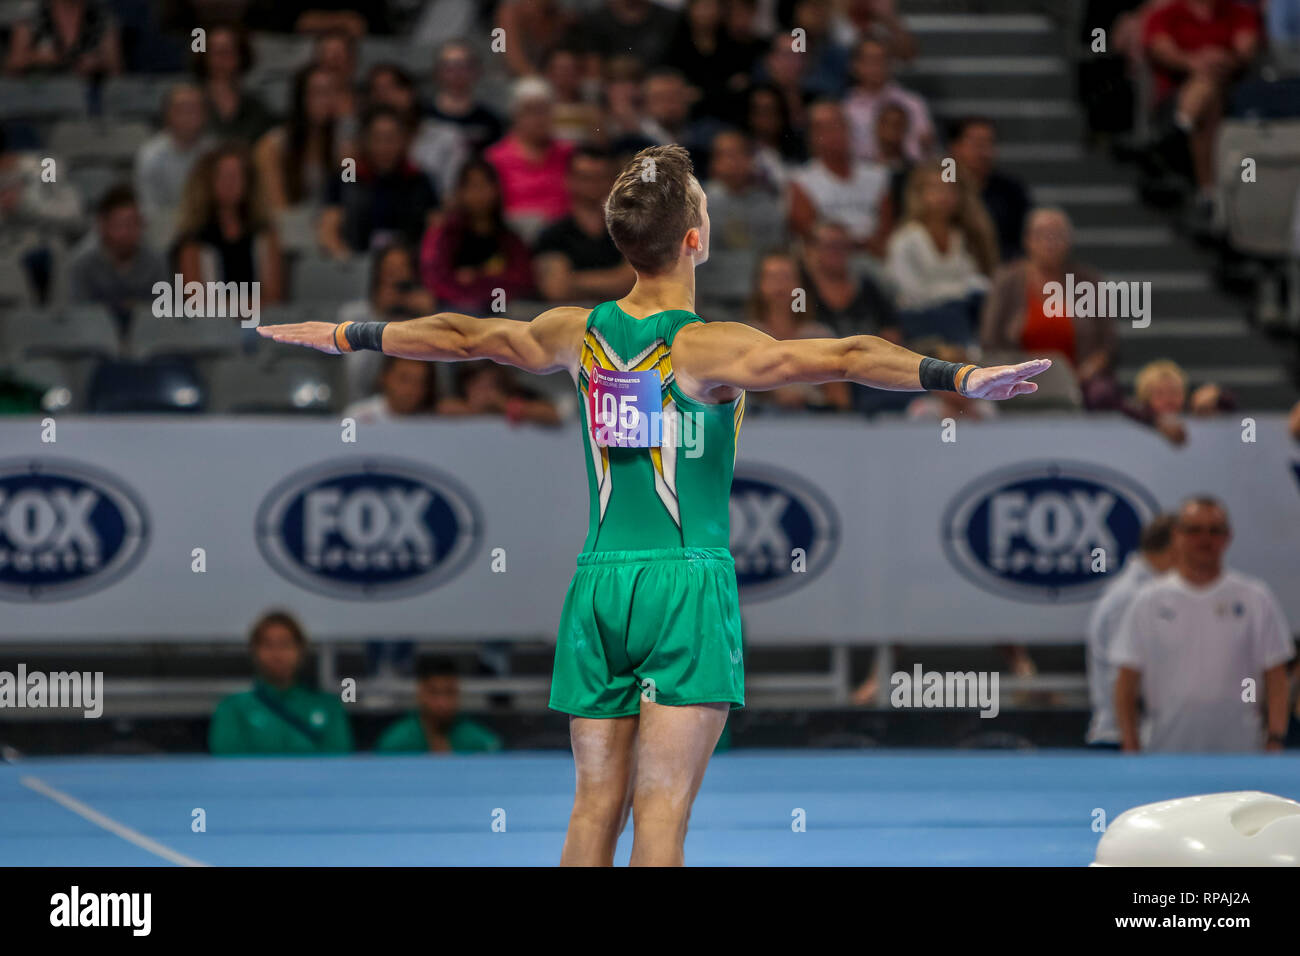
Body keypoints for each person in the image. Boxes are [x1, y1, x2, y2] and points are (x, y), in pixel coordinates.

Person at [259, 144, 1051, 865]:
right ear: (696, 238)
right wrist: (959, 378)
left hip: (600, 585)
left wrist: (346, 333)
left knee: (592, 807)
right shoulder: (705, 346)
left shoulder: (574, 330)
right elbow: (847, 354)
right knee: (662, 810)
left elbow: (464, 336)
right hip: (683, 584)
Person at [1113, 497, 1294, 753]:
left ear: (1227, 537)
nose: (1204, 539)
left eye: (1214, 531)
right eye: (1194, 530)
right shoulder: (1149, 601)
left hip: (1241, 752)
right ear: (1177, 535)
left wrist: (1275, 737)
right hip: (1165, 751)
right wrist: (1130, 743)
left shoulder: (1254, 597)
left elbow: (1275, 676)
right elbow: (1126, 682)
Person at [1143, 0, 1260, 217]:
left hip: (1229, 95)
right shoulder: (1167, 13)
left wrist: (1218, 59)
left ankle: (1180, 128)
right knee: (1207, 92)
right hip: (1175, 96)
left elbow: (1246, 50)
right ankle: (1208, 193)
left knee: (1209, 90)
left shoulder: (1239, 13)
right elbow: (1160, 49)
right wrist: (1193, 61)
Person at [980, 207, 1115, 374]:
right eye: (1042, 235)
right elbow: (990, 339)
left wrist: (1082, 375)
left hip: (1079, 378)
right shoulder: (1006, 281)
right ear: (1027, 240)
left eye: (1057, 235)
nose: (1049, 242)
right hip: (1018, 376)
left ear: (1069, 241)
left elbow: (1107, 344)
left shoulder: (1089, 282)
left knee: (1101, 393)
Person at [1084, 513, 1178, 749]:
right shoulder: (1132, 597)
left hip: (1136, 738)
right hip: (1123, 741)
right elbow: (1122, 677)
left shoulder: (1145, 592)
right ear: (1174, 548)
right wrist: (1131, 739)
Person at [209, 611, 354, 755]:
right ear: (254, 651)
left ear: (300, 650)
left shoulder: (329, 707)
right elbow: (228, 765)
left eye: (285, 645)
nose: (277, 654)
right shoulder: (232, 709)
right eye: (268, 645)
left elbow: (338, 763)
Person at [418, 158, 533, 313]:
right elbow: (435, 279)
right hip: (453, 310)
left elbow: (522, 280)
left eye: (484, 185)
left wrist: (478, 278)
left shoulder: (509, 238)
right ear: (460, 191)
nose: (478, 194)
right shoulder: (444, 234)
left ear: (496, 189)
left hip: (499, 309)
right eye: (472, 186)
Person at [174, 144, 284, 303]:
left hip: (261, 322)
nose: (230, 183)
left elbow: (274, 296)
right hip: (212, 325)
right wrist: (238, 307)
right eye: (223, 176)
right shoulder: (192, 239)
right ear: (208, 182)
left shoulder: (265, 234)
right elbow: (196, 301)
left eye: (237, 176)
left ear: (248, 182)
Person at [886, 161, 998, 314]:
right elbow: (910, 292)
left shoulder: (969, 236)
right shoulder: (905, 240)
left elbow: (981, 282)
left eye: (950, 189)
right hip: (918, 316)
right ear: (919, 193)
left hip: (963, 313)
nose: (943, 196)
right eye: (936, 188)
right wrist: (960, 290)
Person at [788, 100, 893, 256]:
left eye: (838, 125)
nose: (833, 133)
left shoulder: (876, 175)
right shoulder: (801, 181)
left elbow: (887, 226)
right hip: (829, 259)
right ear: (812, 136)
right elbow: (808, 233)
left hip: (875, 256)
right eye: (823, 128)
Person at [533, 147, 635, 303]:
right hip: (571, 320)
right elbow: (556, 290)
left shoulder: (629, 230)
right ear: (568, 180)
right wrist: (615, 278)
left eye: (600, 177)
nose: (593, 185)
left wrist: (573, 280)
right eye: (585, 177)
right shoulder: (552, 234)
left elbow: (633, 282)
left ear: (613, 181)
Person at [67, 184, 167, 330]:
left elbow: (165, 316)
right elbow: (79, 317)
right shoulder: (82, 266)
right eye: (120, 225)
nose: (127, 232)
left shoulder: (156, 262)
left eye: (134, 224)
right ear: (103, 226)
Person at [254, 64, 343, 215]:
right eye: (318, 93)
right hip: (289, 228)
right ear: (301, 98)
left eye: (331, 93)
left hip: (330, 229)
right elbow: (277, 209)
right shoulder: (271, 147)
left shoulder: (345, 149)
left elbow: (348, 195)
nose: (325, 100)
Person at [375, 656, 503, 754]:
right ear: (420, 693)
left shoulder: (481, 743)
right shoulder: (395, 744)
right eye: (434, 692)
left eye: (449, 692)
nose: (442, 703)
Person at [948, 116, 1031, 262]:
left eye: (989, 143)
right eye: (976, 144)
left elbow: (1023, 240)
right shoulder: (945, 186)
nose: (983, 152)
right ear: (955, 147)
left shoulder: (1011, 190)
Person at [843, 35, 934, 165]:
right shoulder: (845, 108)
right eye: (871, 60)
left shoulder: (913, 103)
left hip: (908, 171)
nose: (877, 66)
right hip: (865, 175)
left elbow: (925, 149)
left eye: (882, 59)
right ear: (855, 65)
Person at [134, 82, 210, 230]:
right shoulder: (150, 156)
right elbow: (148, 210)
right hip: (163, 230)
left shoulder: (213, 153)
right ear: (167, 114)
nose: (188, 116)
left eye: (194, 109)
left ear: (205, 115)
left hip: (205, 229)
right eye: (182, 109)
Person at [193, 24, 274, 146]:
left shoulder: (257, 106)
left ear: (241, 56)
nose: (220, 59)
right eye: (215, 52)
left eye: (227, 52)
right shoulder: (190, 101)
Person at [342, 356, 438, 424]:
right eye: (405, 379)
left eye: (420, 382)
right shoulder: (358, 416)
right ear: (384, 377)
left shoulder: (432, 422)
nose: (411, 389)